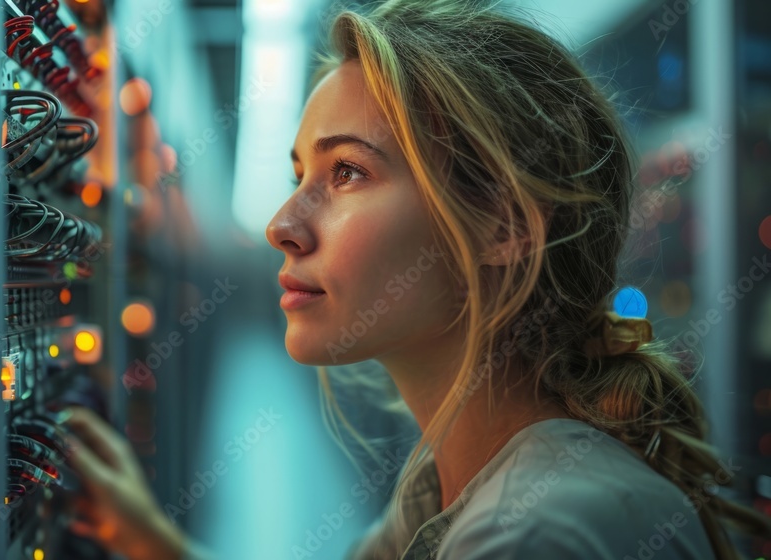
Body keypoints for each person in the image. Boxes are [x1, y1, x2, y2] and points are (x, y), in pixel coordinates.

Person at [62, 0, 771, 558]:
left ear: (503, 227)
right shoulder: (451, 479)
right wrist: (149, 538)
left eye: (347, 172)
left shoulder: (529, 534)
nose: (281, 224)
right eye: (299, 175)